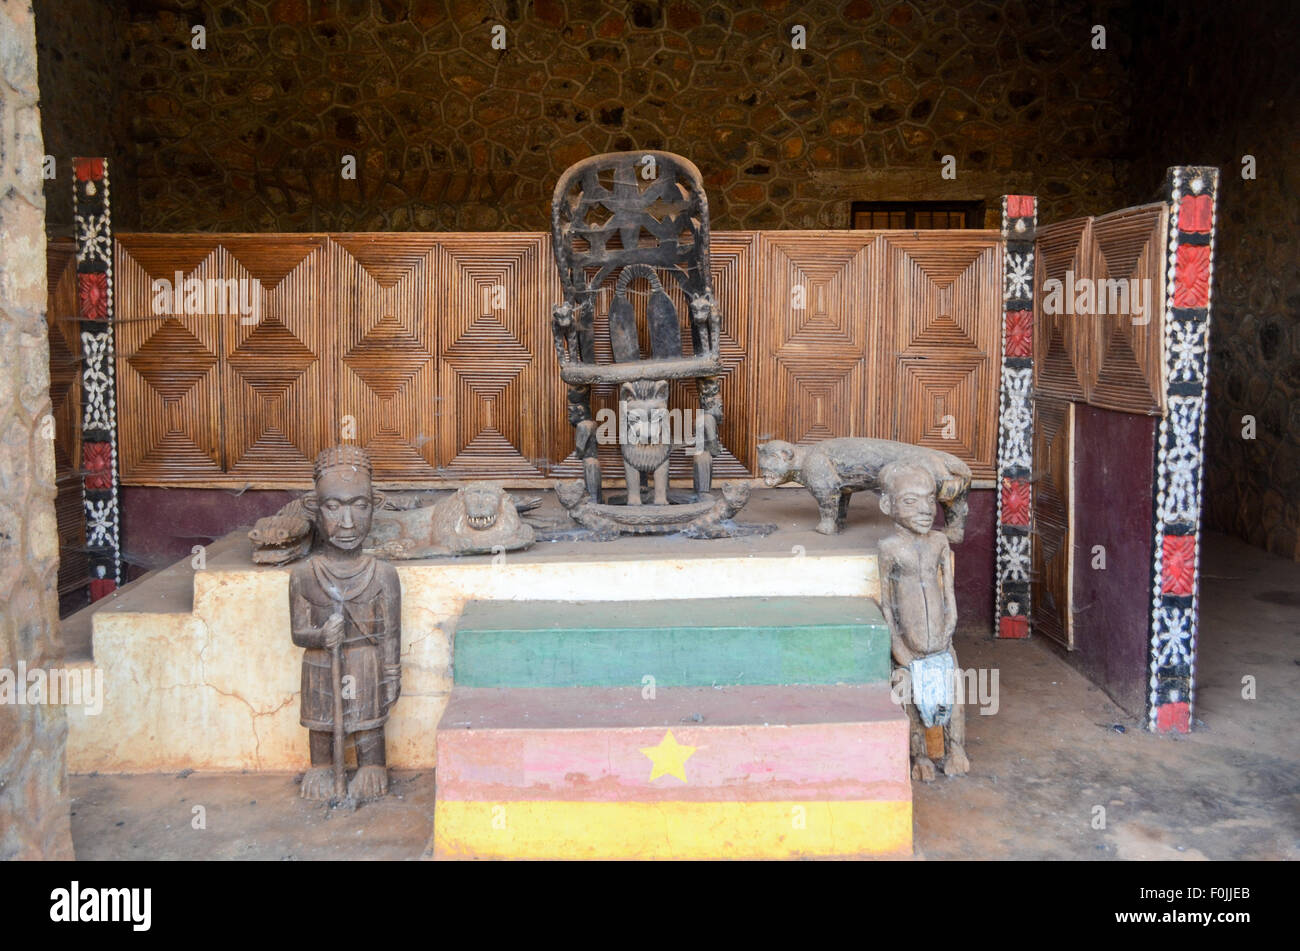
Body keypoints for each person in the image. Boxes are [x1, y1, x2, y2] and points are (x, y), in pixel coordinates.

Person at [289, 445, 401, 800]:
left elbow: (390, 636)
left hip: (366, 663)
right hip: (321, 663)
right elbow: (298, 631)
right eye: (333, 507)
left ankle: (372, 765)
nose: (348, 523)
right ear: (314, 508)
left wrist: (392, 674)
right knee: (321, 723)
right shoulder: (304, 574)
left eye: (360, 505)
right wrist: (320, 635)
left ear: (376, 504)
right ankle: (322, 766)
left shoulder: (383, 574)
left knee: (369, 721)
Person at [878, 461, 970, 781]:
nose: (925, 509)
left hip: (941, 640)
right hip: (910, 643)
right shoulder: (889, 549)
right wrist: (897, 645)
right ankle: (919, 755)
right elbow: (887, 604)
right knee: (909, 691)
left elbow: (948, 592)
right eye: (910, 501)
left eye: (930, 500)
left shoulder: (939, 543)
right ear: (887, 505)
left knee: (953, 687)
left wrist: (951, 623)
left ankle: (956, 748)